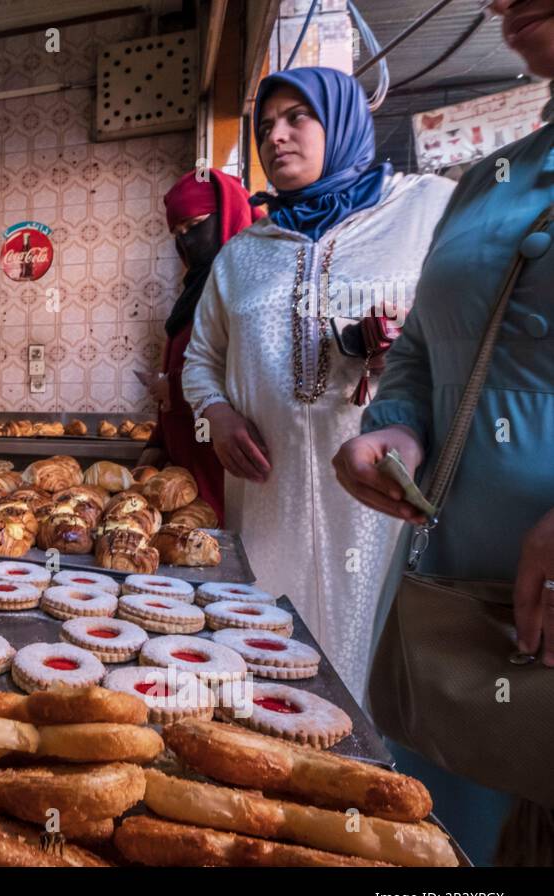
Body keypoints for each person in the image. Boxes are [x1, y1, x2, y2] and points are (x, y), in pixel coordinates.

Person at [332, 0, 554, 865]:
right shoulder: (493, 178)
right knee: (435, 840)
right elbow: (422, 346)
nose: (497, 1)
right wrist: (394, 428)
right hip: (455, 584)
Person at [180, 67, 454, 693]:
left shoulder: (423, 213)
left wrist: (407, 343)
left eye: (297, 117)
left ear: (344, 122)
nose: (277, 136)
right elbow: (200, 360)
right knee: (269, 666)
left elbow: (477, 332)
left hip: (381, 497)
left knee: (383, 668)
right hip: (267, 494)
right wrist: (217, 415)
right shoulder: (242, 254)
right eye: (266, 125)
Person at [137, 169, 262, 522]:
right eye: (177, 234)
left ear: (226, 216)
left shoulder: (248, 286)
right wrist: (158, 442)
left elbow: (249, 373)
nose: (187, 241)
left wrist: (172, 388)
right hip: (185, 462)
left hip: (220, 464)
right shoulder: (197, 288)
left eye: (194, 226)